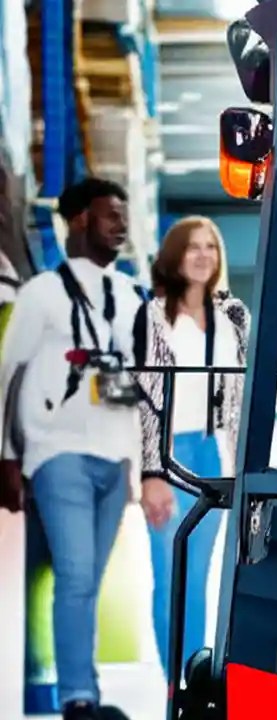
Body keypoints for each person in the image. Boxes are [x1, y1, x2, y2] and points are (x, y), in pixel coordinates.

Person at [0, 177, 147, 720]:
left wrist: (137, 462)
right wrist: (7, 456)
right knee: (78, 575)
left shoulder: (132, 296)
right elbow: (7, 375)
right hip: (56, 450)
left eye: (124, 216)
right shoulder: (42, 294)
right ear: (81, 219)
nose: (122, 226)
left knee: (84, 579)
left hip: (114, 457)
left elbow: (141, 383)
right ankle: (78, 698)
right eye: (112, 215)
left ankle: (77, 690)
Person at [137, 217, 249, 683]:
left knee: (199, 578)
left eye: (210, 246)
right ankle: (171, 690)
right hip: (169, 453)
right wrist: (151, 472)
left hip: (212, 452)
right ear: (174, 255)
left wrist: (247, 464)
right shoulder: (154, 315)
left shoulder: (234, 315)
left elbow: (242, 396)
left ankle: (194, 683)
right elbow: (146, 395)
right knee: (169, 577)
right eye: (192, 247)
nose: (203, 255)